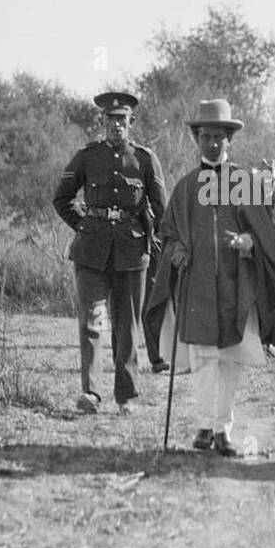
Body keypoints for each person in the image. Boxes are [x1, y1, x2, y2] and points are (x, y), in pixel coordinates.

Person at [144, 99, 275, 457]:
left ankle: (224, 429)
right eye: (205, 136)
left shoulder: (245, 182)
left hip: (237, 284)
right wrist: (177, 252)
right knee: (205, 358)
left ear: (230, 140)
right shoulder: (186, 187)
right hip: (199, 286)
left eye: (219, 137)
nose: (212, 143)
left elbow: (268, 232)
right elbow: (169, 232)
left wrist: (248, 242)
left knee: (231, 359)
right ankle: (204, 427)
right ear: (196, 139)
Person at [52, 91, 167, 416]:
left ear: (132, 122)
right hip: (91, 253)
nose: (117, 125)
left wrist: (148, 236)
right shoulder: (87, 157)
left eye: (122, 119)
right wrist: (85, 225)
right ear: (102, 122)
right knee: (93, 322)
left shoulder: (145, 159)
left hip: (132, 254)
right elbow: (61, 198)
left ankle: (126, 395)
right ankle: (92, 392)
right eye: (110, 119)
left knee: (126, 325)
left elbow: (160, 207)